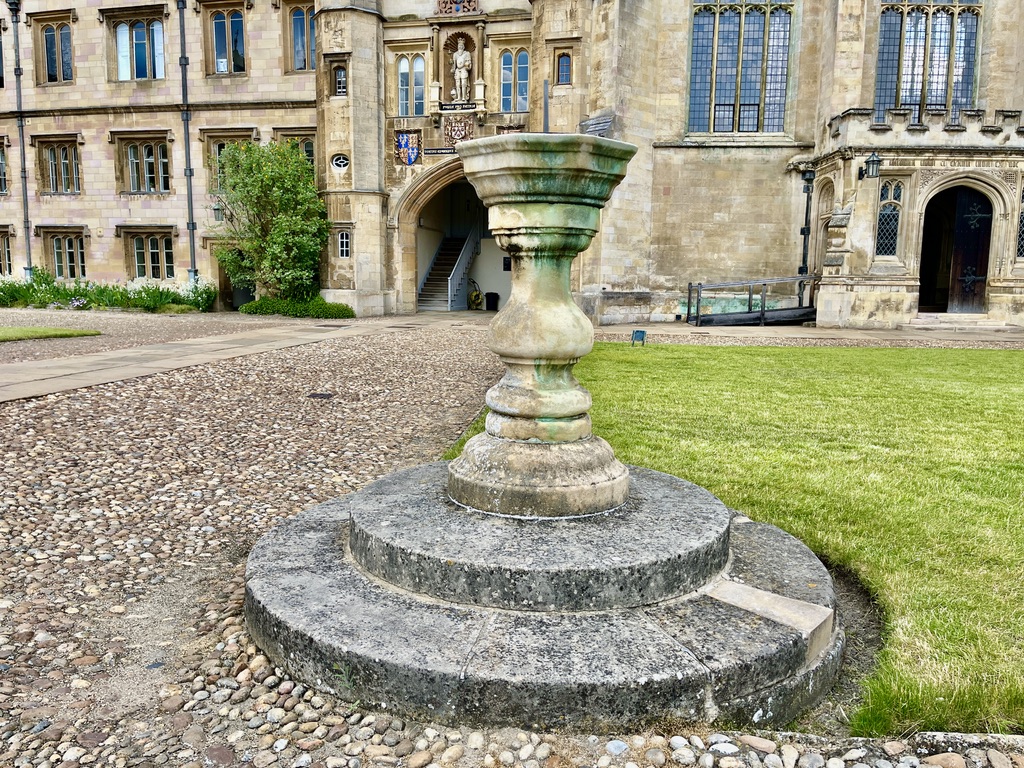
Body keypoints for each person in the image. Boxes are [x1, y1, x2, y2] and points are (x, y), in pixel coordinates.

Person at [451, 38, 472, 103]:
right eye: (459, 45)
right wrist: (453, 69)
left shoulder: (467, 53)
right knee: (457, 84)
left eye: (461, 45)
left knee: (463, 84)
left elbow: (469, 63)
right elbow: (454, 64)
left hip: (463, 70)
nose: (460, 47)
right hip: (458, 70)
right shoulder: (455, 54)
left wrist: (467, 66)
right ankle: (458, 97)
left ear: (463, 47)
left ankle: (464, 97)